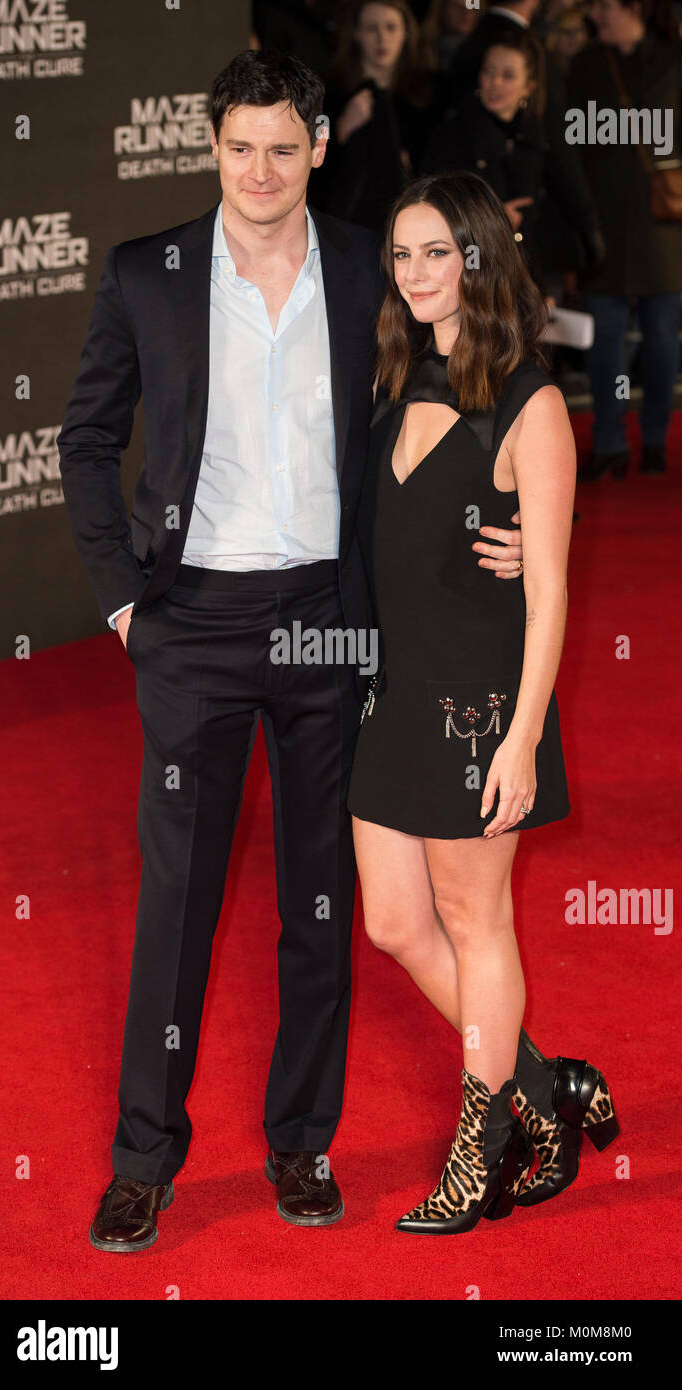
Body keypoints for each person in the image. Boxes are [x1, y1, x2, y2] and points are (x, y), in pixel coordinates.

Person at [57, 50, 524, 1252]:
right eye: (236, 147)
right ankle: (143, 1159)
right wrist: (123, 605)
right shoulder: (146, 277)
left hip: (332, 618)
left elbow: (471, 382)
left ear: (319, 146)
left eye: (282, 147)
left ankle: (301, 1143)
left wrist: (517, 508)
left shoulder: (374, 264)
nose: (258, 171)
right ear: (210, 147)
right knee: (178, 903)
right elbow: (85, 439)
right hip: (193, 625)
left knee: (321, 905)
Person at [347, 171, 620, 1233]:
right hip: (394, 690)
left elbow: (549, 589)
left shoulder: (531, 400)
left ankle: (482, 1151)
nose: (416, 274)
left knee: (473, 920)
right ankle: (550, 1091)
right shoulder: (397, 374)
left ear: (477, 257)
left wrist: (519, 741)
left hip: (480, 706)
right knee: (390, 921)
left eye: (436, 253)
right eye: (402, 256)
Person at [568, 0, 682, 479]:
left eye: (602, 5)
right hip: (604, 229)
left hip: (665, 225)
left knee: (661, 341)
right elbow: (570, 144)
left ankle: (654, 436)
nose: (594, 14)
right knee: (606, 343)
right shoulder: (587, 64)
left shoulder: (675, 59)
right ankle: (611, 440)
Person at [421, 28, 605, 298]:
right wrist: (490, 217)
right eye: (489, 72)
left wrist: (590, 236)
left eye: (508, 75)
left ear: (528, 86)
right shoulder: (453, 132)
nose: (494, 83)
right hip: (468, 270)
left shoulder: (538, 132)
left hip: (525, 268)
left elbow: (569, 188)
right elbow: (428, 199)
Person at [309, 0, 438, 232]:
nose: (382, 38)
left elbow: (444, 165)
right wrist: (340, 131)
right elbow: (311, 170)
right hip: (347, 227)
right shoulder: (329, 93)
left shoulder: (429, 94)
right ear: (356, 34)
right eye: (372, 28)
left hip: (414, 224)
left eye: (390, 27)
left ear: (406, 32)